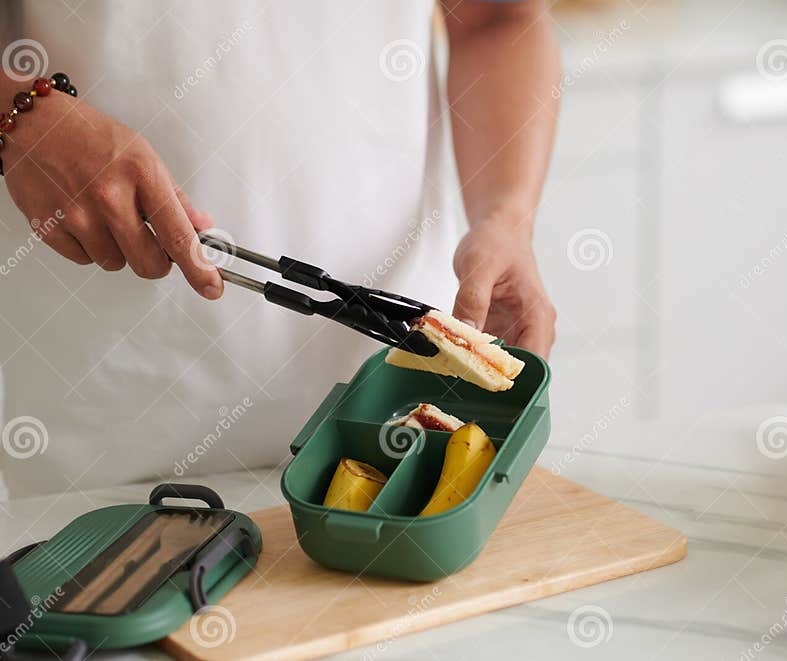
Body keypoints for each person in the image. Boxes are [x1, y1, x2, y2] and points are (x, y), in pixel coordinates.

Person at [0, 1, 559, 497]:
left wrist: (506, 220)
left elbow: (498, 16)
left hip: (402, 405)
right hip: (101, 421)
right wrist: (21, 114)